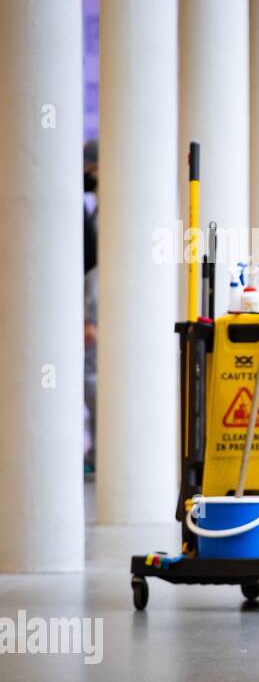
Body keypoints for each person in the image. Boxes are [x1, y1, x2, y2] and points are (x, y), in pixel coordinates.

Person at [83, 140, 99, 475]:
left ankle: (99, 452)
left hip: (96, 295)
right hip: (91, 293)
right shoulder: (92, 208)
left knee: (94, 378)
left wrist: (89, 318)